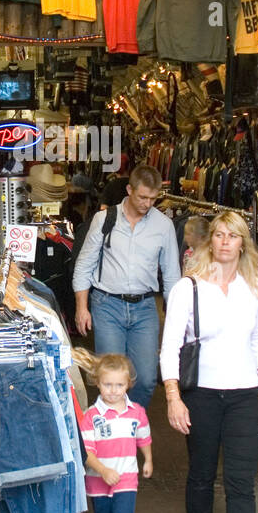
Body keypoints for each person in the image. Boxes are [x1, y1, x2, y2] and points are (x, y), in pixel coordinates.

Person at [160, 210, 258, 513]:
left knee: (242, 484)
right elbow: (170, 346)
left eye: (233, 236)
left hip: (243, 395)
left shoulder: (254, 287)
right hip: (201, 393)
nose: (225, 242)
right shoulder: (188, 288)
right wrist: (173, 398)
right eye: (220, 235)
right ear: (210, 241)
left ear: (243, 243)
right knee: (202, 472)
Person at [73, 164, 182, 409]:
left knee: (145, 379)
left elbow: (172, 275)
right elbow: (84, 266)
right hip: (107, 305)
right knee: (110, 377)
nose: (147, 204)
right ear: (129, 190)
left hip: (144, 308)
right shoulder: (105, 219)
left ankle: (130, 422)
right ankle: (115, 436)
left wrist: (176, 318)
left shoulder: (163, 226)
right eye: (142, 197)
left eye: (153, 198)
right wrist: (82, 308)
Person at [75, 349, 153, 513]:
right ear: (97, 383)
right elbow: (87, 453)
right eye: (108, 384)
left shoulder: (137, 412)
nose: (113, 390)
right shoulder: (91, 417)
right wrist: (103, 470)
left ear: (128, 384)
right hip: (98, 482)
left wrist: (148, 460)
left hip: (127, 480)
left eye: (119, 385)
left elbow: (144, 438)